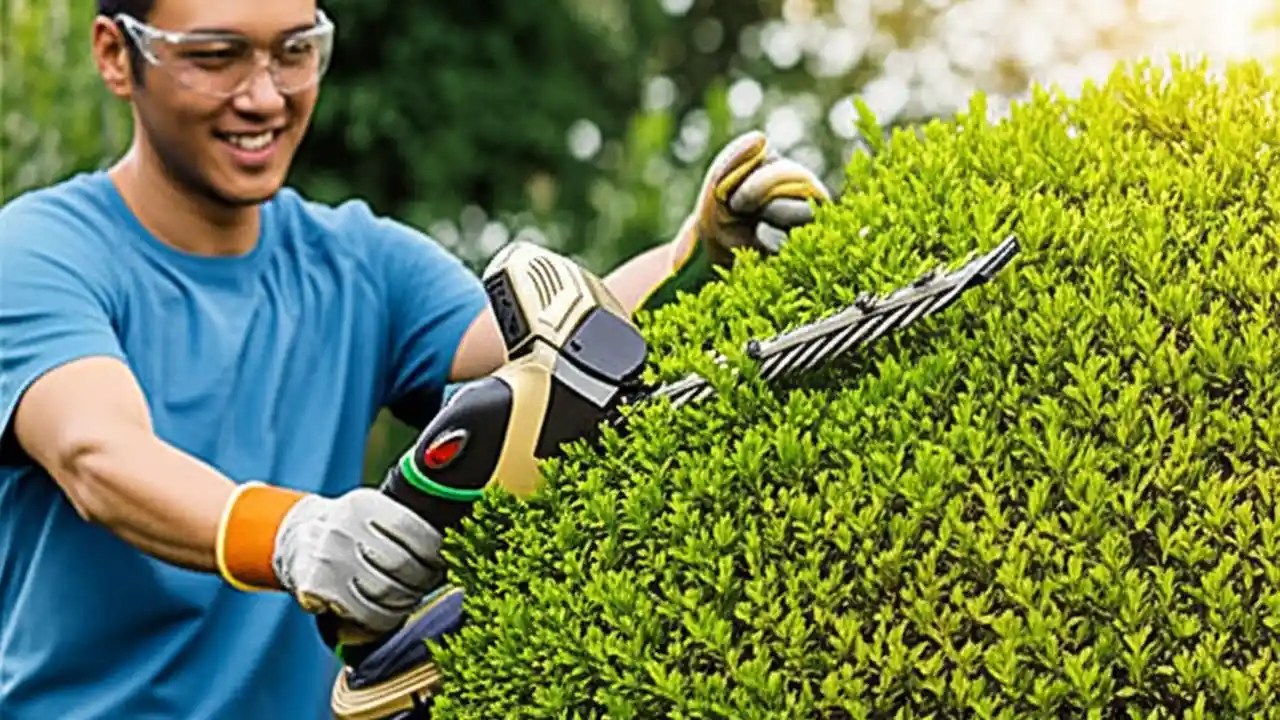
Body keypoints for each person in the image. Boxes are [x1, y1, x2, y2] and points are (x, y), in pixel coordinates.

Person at [0, 0, 831, 718]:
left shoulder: (358, 261)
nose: (264, 95)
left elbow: (548, 351)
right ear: (117, 54)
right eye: (216, 56)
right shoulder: (38, 251)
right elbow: (96, 455)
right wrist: (290, 534)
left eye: (295, 50)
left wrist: (698, 256)